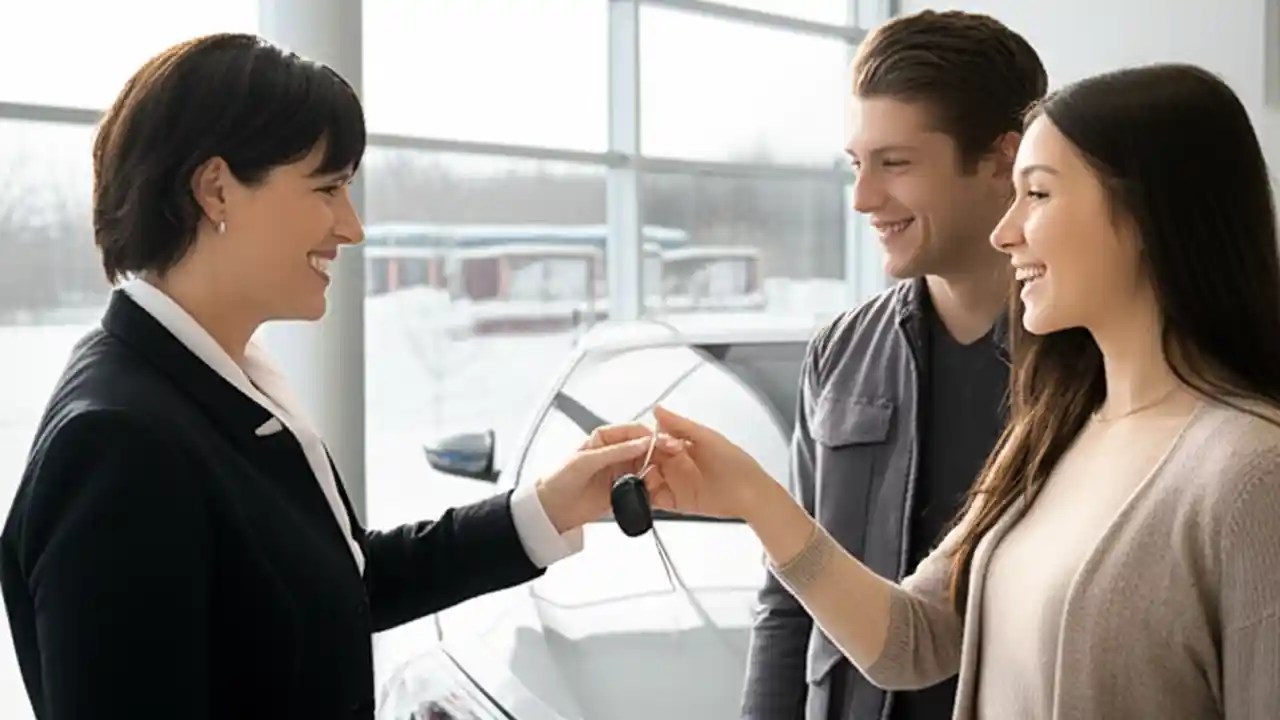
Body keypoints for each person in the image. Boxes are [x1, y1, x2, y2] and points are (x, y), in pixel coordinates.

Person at [0, 34, 683, 719]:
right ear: (216, 191)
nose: (351, 228)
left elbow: (338, 583)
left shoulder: (216, 381)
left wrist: (545, 508)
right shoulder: (119, 446)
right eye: (328, 188)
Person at [646, 62, 1280, 719]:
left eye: (1036, 194)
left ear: (1148, 214)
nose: (1006, 233)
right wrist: (753, 497)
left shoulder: (1253, 476)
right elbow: (909, 641)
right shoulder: (1052, 432)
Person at [741, 10, 1046, 720]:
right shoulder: (840, 353)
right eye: (857, 164)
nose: (863, 198)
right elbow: (789, 596)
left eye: (895, 164)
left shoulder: (1095, 363)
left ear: (1002, 161)